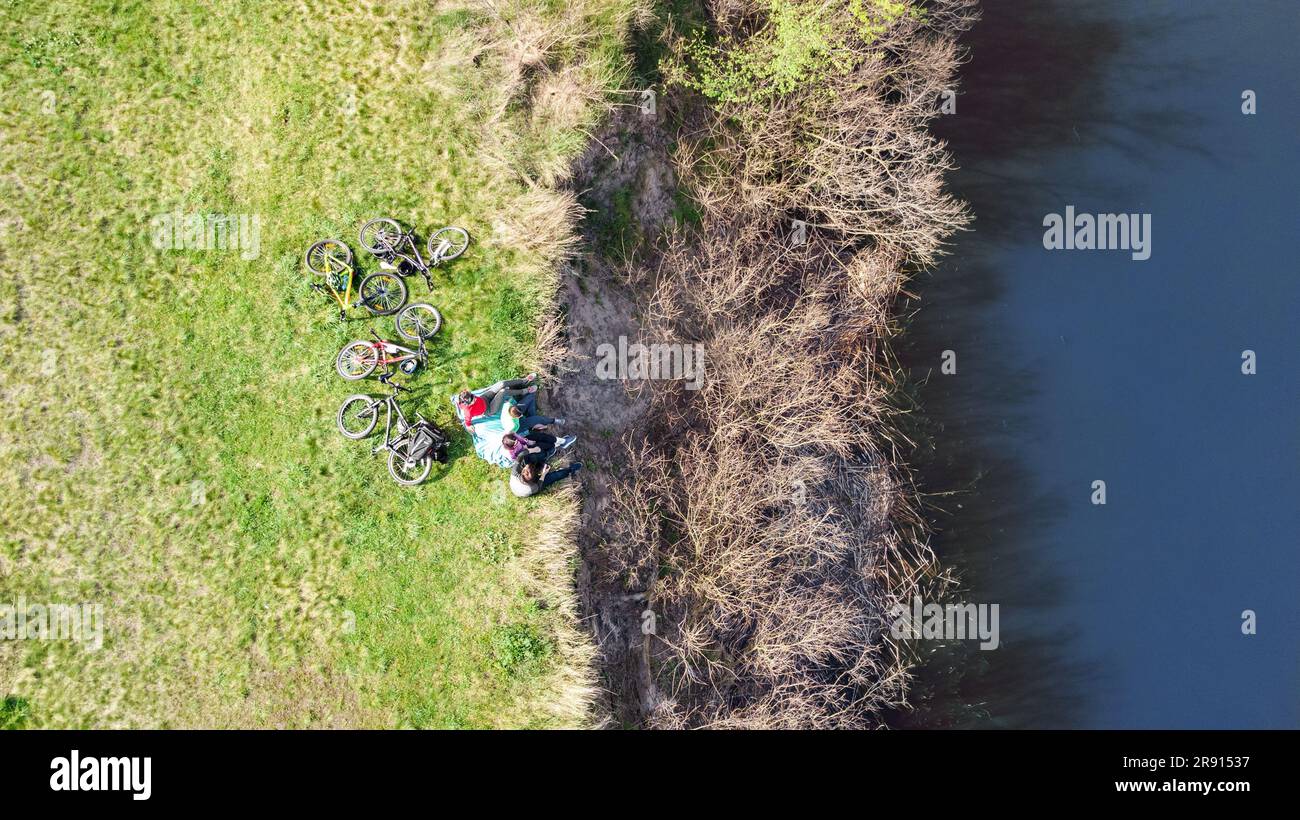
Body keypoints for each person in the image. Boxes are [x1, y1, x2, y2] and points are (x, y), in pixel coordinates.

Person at [456, 373, 541, 430]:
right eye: (473, 400)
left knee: (502, 384)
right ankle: (526, 391)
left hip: (484, 398)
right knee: (503, 392)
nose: (475, 398)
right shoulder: (467, 411)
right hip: (489, 409)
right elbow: (467, 420)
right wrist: (469, 426)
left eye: (473, 396)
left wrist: (477, 398)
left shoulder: (465, 397)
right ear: (468, 404)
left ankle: (524, 380)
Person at [510, 459, 583, 497]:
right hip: (526, 491)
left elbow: (519, 457)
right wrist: (544, 473)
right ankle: (570, 470)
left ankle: (541, 461)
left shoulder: (514, 473)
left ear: (522, 471)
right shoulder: (533, 487)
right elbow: (540, 483)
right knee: (552, 477)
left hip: (515, 487)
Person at [502, 431, 576, 465]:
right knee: (541, 446)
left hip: (525, 446)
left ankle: (562, 441)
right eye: (515, 443)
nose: (517, 442)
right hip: (526, 455)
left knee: (537, 436)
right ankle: (553, 447)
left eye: (516, 440)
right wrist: (527, 449)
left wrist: (527, 441)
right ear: (511, 447)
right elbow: (519, 459)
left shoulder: (512, 438)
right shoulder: (511, 454)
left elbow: (520, 439)